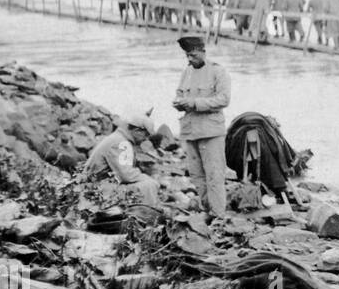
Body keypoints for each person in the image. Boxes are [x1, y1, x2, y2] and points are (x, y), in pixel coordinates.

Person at [173, 36, 231, 220]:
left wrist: (195, 103)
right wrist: (179, 102)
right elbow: (180, 93)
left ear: (203, 51)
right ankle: (208, 211)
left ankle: (219, 216)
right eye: (187, 56)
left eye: (193, 55)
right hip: (190, 132)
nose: (190, 59)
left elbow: (224, 99)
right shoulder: (186, 72)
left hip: (211, 133)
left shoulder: (218, 72)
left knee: (214, 175)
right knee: (197, 176)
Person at [83, 111, 160, 207]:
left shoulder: (118, 138)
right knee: (149, 185)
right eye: (146, 135)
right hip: (95, 191)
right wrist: (148, 179)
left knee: (146, 184)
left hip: (96, 187)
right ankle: (145, 218)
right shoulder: (120, 142)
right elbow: (126, 175)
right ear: (137, 130)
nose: (145, 139)